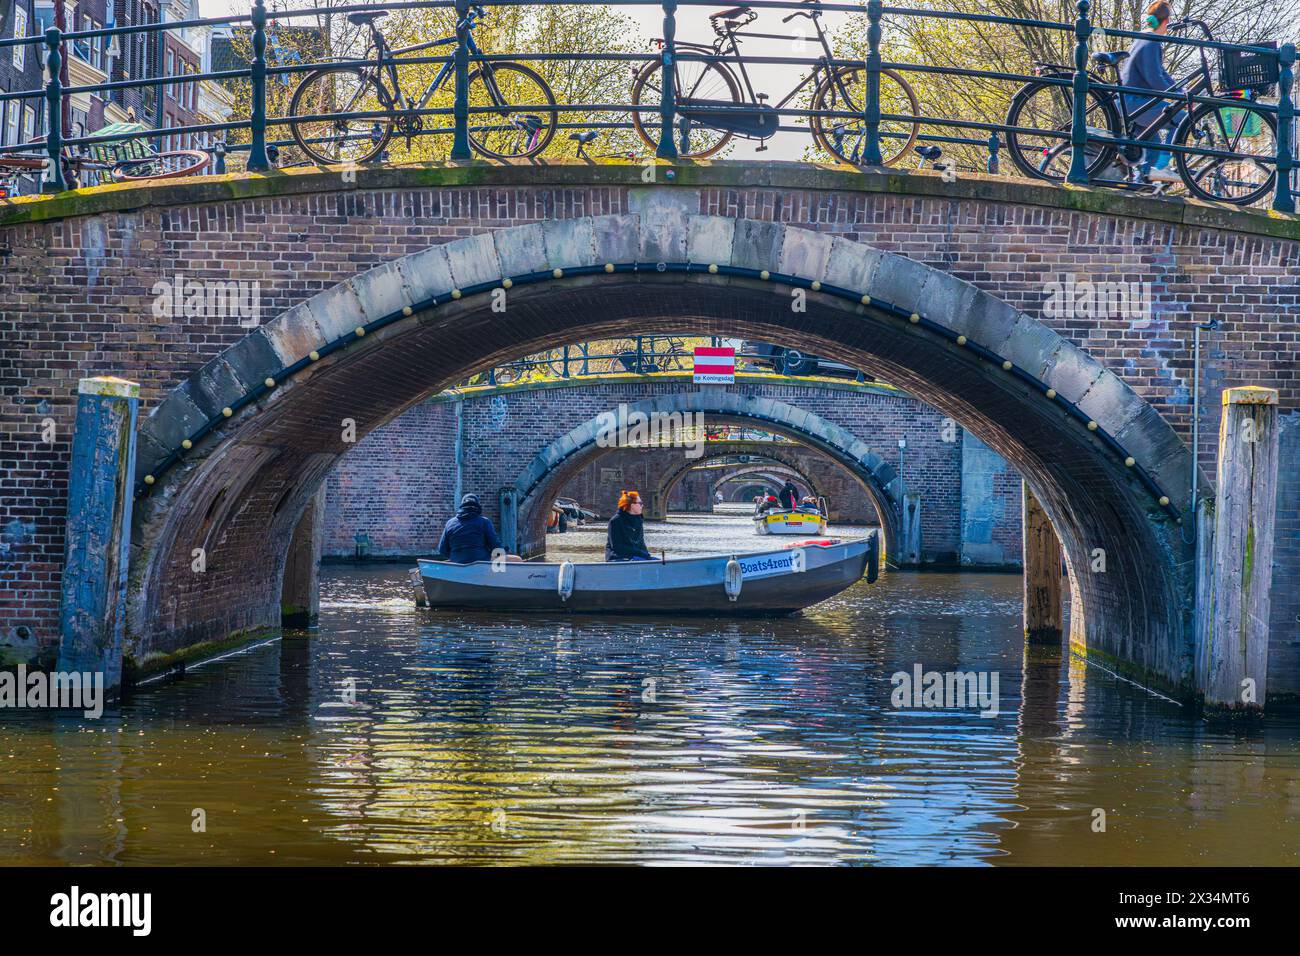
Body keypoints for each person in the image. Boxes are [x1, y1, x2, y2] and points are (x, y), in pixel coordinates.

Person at [1119, 1, 1184, 183]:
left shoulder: (1142, 39)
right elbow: (1154, 78)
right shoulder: (1151, 42)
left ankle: (1141, 184)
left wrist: (1180, 90)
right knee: (1181, 120)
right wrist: (1177, 97)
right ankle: (1165, 165)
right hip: (1135, 103)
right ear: (1166, 22)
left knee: (1153, 146)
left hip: (1131, 102)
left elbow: (1160, 73)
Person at [436, 493, 503, 564]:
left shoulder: (450, 523)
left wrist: (455, 557)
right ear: (477, 507)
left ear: (461, 506)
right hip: (480, 564)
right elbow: (496, 546)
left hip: (456, 564)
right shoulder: (484, 522)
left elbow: (442, 549)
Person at [605, 490, 653, 561]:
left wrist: (647, 556)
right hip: (617, 558)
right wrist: (640, 553)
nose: (642, 505)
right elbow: (617, 547)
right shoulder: (615, 521)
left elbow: (641, 543)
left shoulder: (639, 520)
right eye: (640, 503)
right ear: (632, 505)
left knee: (654, 560)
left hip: (635, 556)